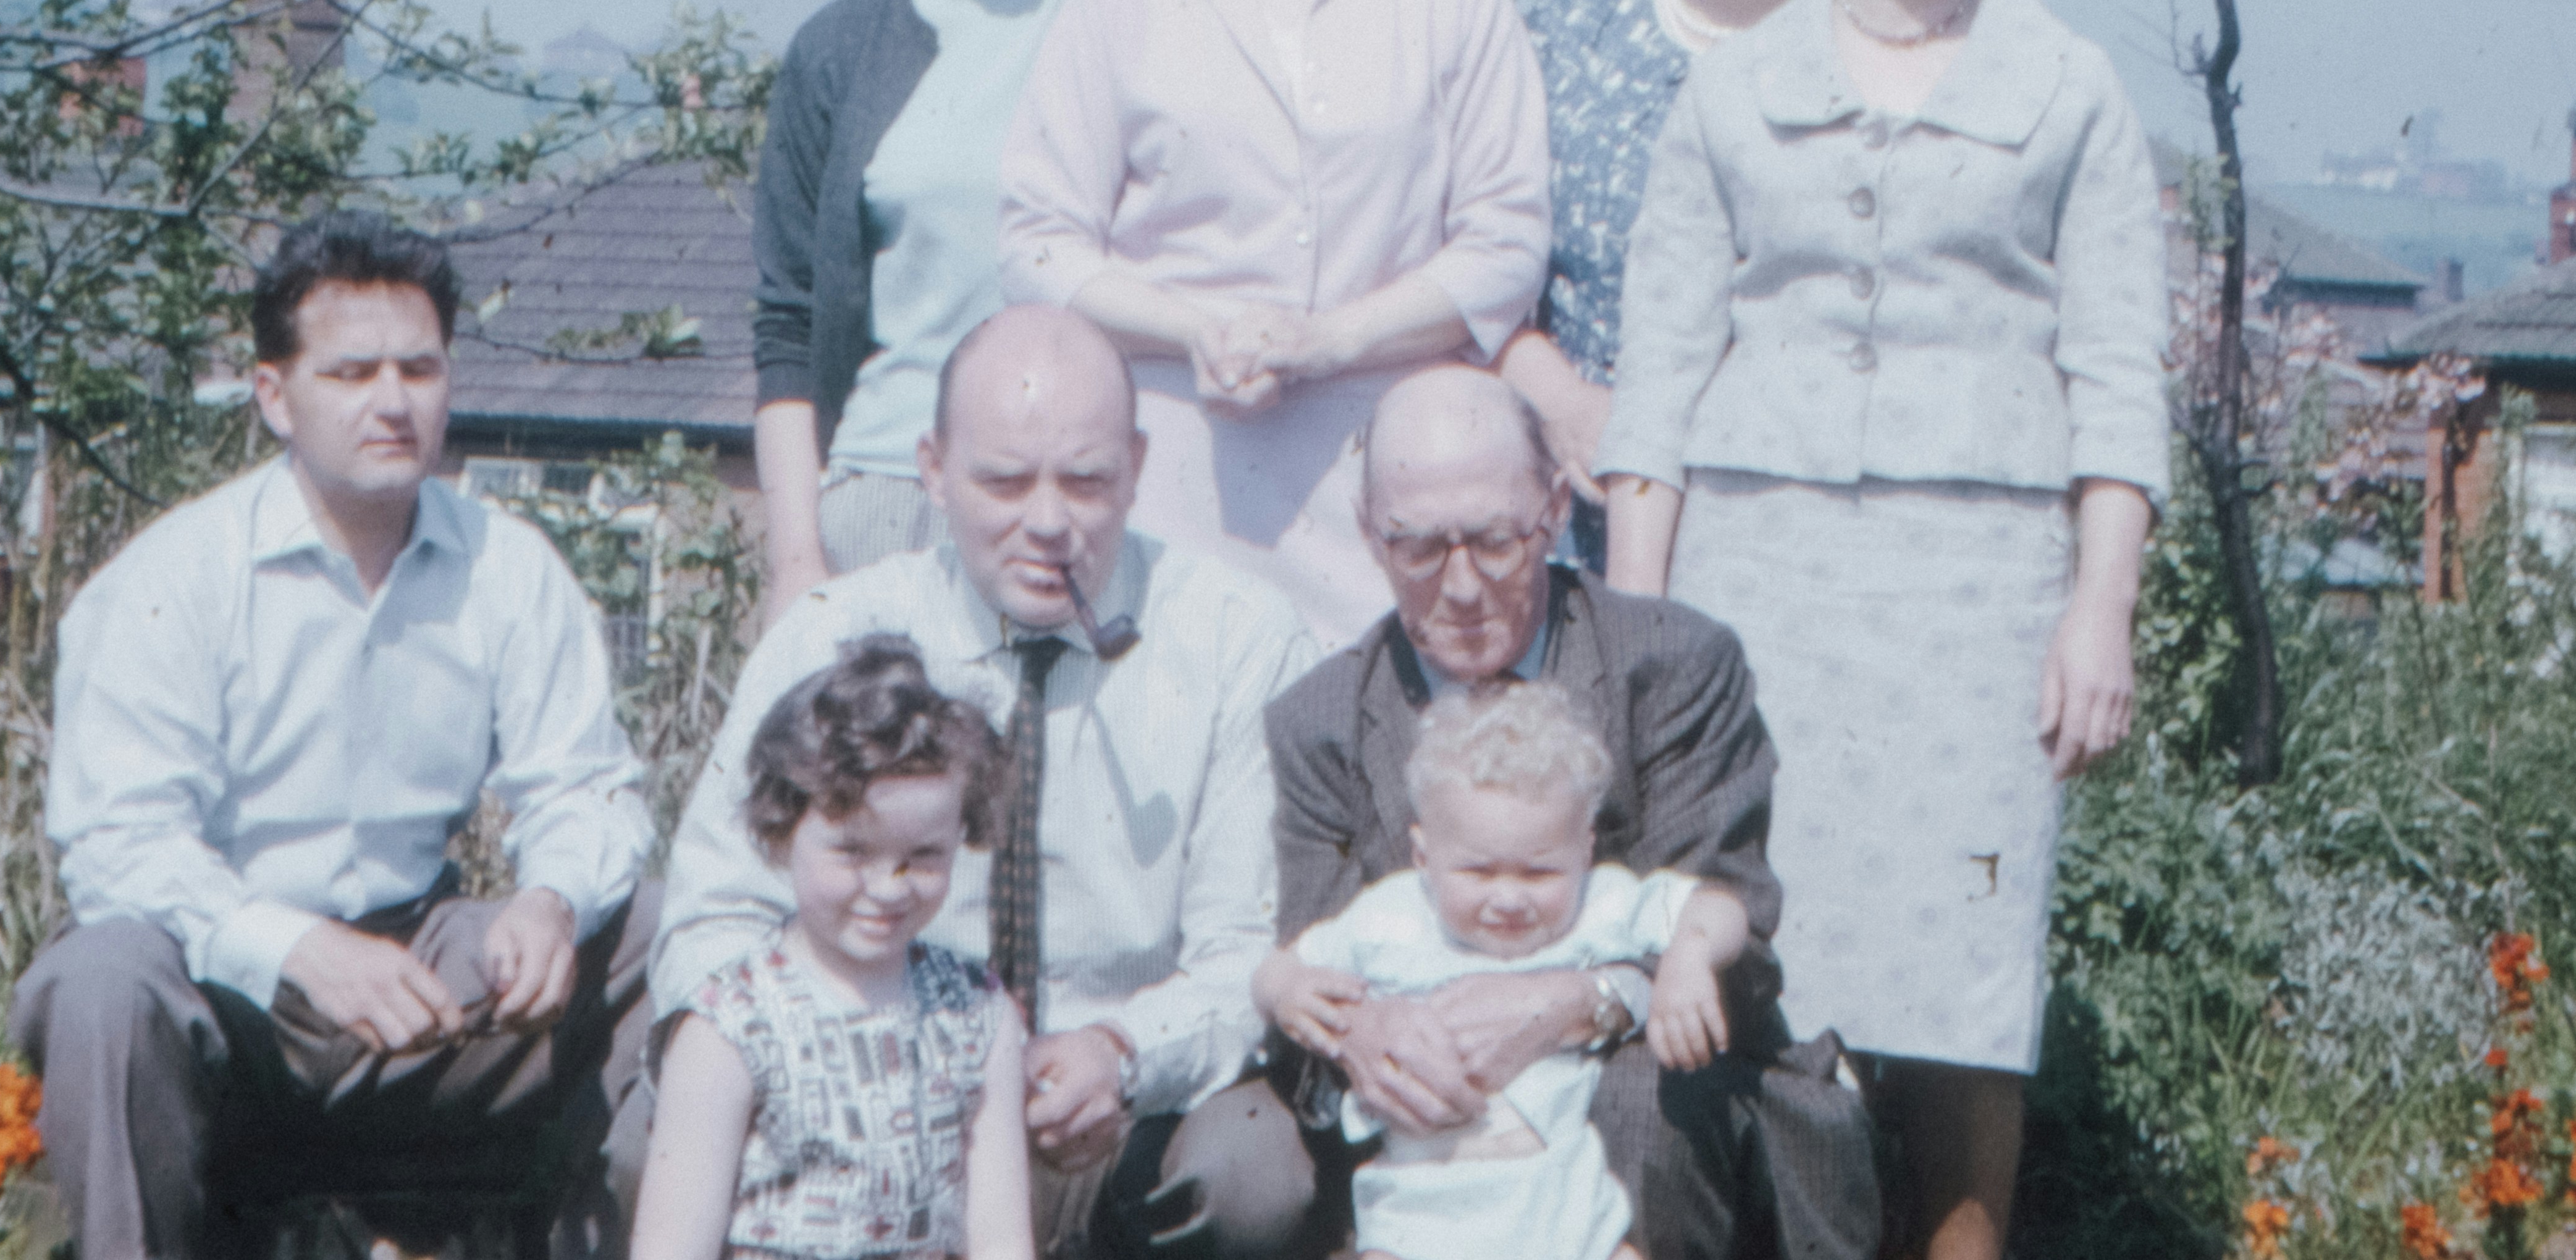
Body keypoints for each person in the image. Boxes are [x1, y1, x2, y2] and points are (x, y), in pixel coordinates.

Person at [1600, 0, 2168, 1260]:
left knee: (1967, 987)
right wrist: (1641, 653)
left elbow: (2119, 378)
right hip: (1759, 591)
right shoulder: (1731, 87)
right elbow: (1653, 381)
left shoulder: (2067, 90)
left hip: (1981, 609)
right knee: (1757, 969)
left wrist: (2096, 610)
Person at [15, 212, 651, 1260]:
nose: (393, 401)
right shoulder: (173, 576)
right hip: (222, 987)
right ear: (275, 393)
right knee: (99, 981)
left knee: (659, 935)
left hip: (427, 983)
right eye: (351, 371)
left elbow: (586, 785)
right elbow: (119, 846)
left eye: (419, 366)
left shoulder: (509, 564)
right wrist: (299, 945)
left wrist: (550, 895)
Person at [651, 306, 1329, 1260]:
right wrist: (847, 1057)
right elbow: (712, 917)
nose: (1047, 523)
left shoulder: (1240, 639)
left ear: (1137, 465)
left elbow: (1249, 950)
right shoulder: (826, 633)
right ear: (931, 469)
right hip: (867, 1094)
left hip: (1119, 1111)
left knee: (1253, 1177)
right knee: (665, 1139)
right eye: (1003, 481)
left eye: (1087, 480)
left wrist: (1124, 1055)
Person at [998, 0, 1551, 641]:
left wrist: (1327, 339)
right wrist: (1199, 326)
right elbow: (1034, 242)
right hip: (1169, 480)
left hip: (1377, 495)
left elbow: (1502, 246)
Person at [1263, 368, 1874, 1260]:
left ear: (1553, 507)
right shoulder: (1318, 723)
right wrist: (1368, 1033)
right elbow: (1308, 972)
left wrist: (1573, 1002)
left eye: (1494, 540)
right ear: (1369, 534)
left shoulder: (1673, 664)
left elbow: (1735, 946)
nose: (1462, 585)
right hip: (1440, 1138)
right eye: (1421, 548)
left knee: (1637, 1101)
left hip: (1663, 1094)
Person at [753, 0, 1103, 607]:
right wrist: (796, 562)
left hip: (1082, 504)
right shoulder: (839, 51)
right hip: (889, 502)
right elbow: (786, 328)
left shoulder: (1131, 7)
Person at [1499, 0, 1820, 523]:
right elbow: (1479, 276)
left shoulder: (1863, 56)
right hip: (1582, 505)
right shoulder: (1557, 45)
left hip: (1798, 513)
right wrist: (1565, 404)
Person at [1282, 684, 1746, 1260]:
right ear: (1425, 857)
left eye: (1538, 872)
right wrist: (1286, 991)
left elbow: (1719, 904)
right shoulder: (1390, 916)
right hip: (1418, 1217)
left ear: (1584, 849)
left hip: (1565, 1214)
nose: (1508, 898)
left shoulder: (1596, 907)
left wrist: (1690, 954)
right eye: (1478, 870)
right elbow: (1282, 967)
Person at [629, 640, 1035, 1260]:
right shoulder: (729, 1023)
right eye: (851, 851)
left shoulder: (978, 1014)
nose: (887, 887)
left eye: (923, 856)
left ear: (960, 834)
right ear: (782, 827)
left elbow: (1001, 1240)